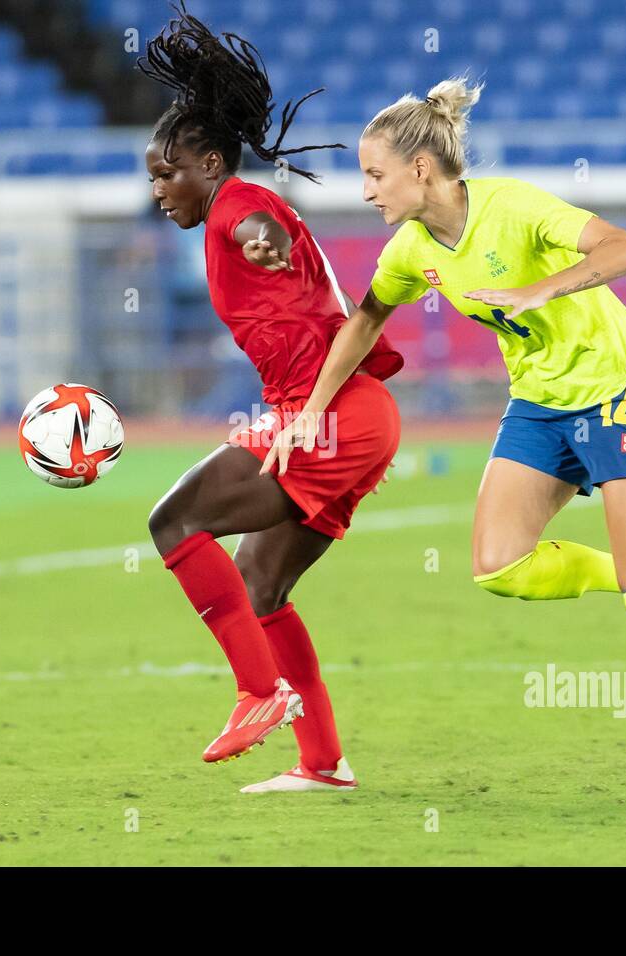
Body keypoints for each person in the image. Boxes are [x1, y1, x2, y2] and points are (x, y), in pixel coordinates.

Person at [264, 79, 626, 788]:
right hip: (539, 401)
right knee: (499, 567)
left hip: (616, 388)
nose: (366, 191)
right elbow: (365, 319)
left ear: (420, 170)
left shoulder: (514, 208)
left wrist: (541, 289)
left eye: (374, 174)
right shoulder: (409, 250)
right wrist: (311, 409)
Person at [138, 6, 404, 792]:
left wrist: (265, 241)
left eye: (165, 173)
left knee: (173, 521)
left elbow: (261, 229)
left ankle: (259, 693)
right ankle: (322, 762)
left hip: (325, 416)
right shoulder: (235, 206)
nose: (158, 192)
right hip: (351, 416)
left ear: (210, 163)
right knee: (260, 584)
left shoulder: (235, 207)